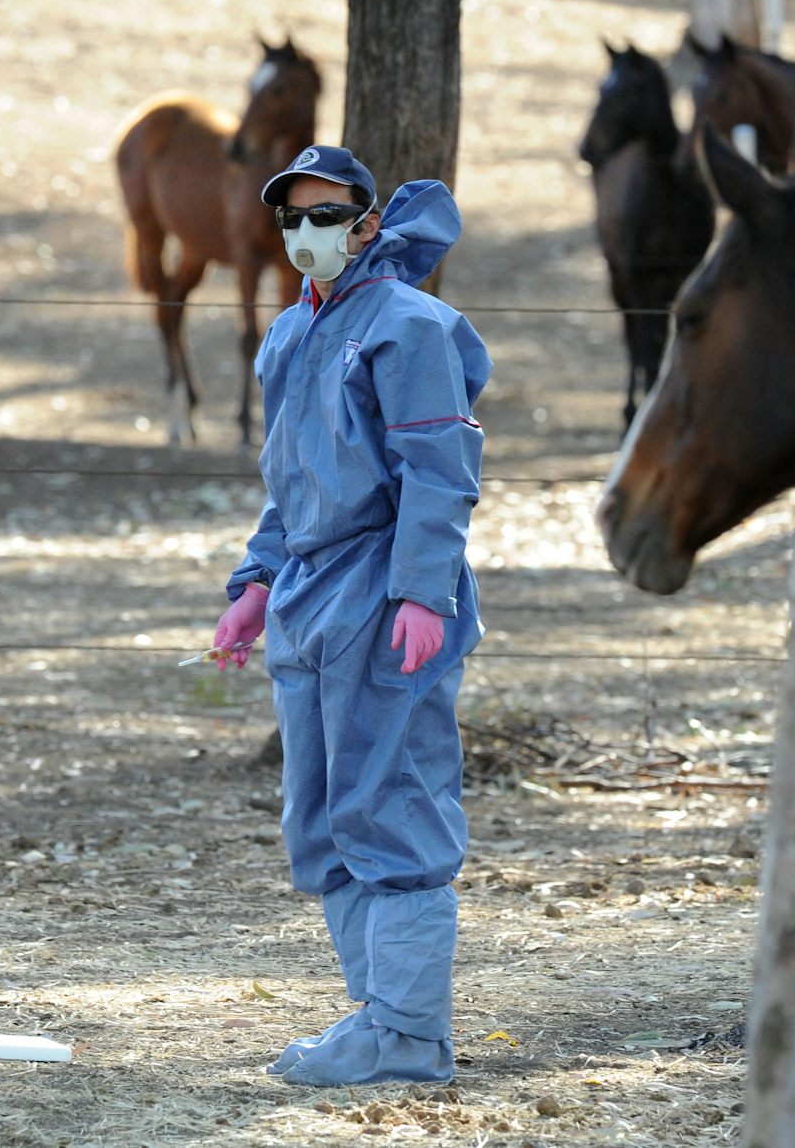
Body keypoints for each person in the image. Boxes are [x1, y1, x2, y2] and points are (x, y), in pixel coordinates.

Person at [212, 145, 490, 1086]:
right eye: (292, 217)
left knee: (392, 810)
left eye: (326, 215)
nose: (305, 234)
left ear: (368, 222)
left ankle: (409, 1036)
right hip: (309, 598)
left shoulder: (411, 328)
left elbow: (439, 472)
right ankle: (378, 1017)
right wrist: (254, 583)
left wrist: (423, 588)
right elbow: (291, 481)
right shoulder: (291, 333)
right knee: (325, 822)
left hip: (382, 592)